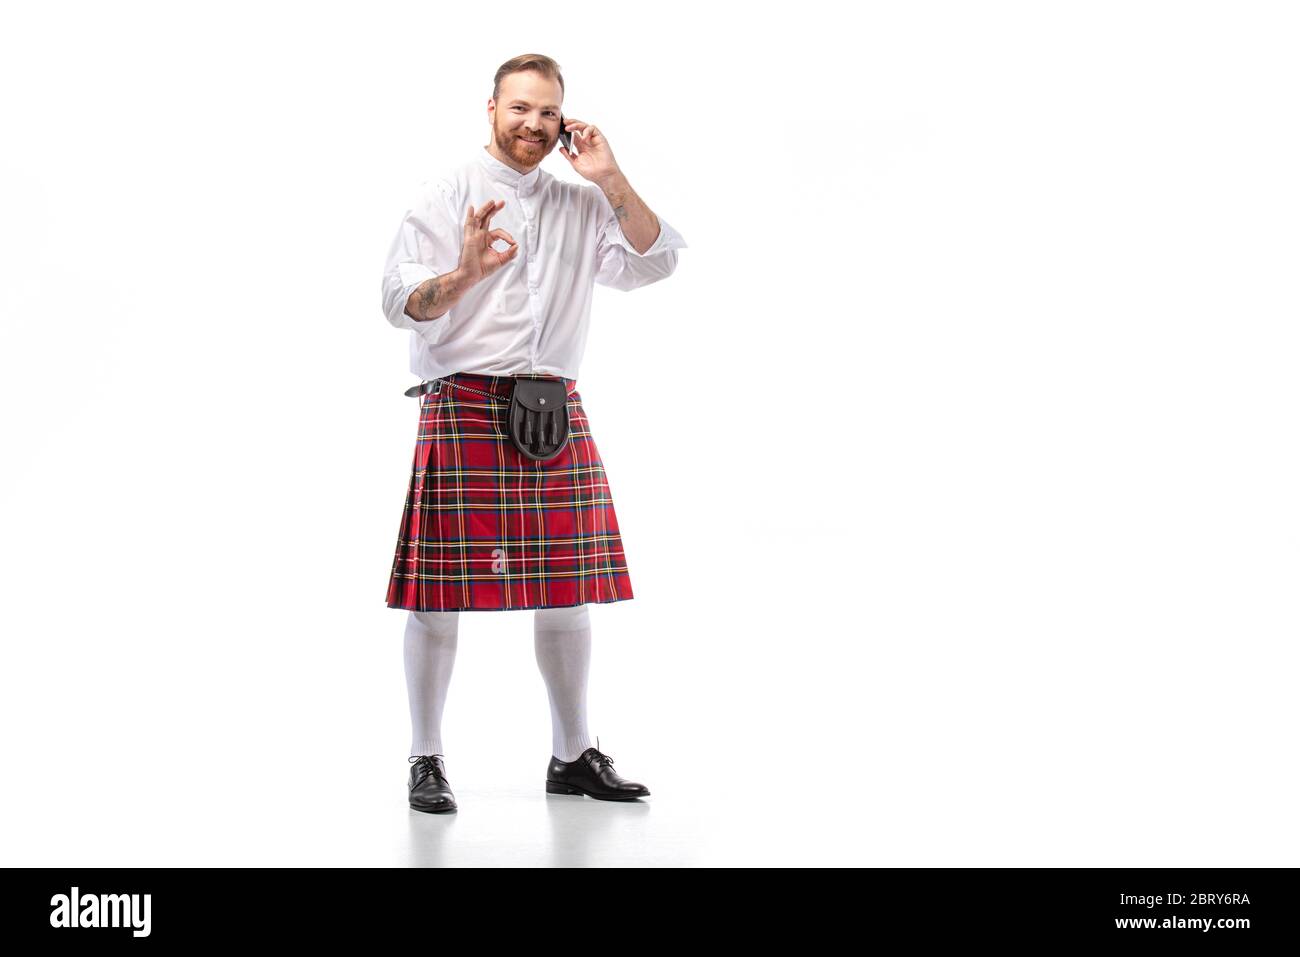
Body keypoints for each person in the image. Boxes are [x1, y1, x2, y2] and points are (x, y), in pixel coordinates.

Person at [379, 54, 687, 813]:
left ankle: (573, 753)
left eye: (547, 112)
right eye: (519, 108)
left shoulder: (583, 203)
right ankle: (426, 756)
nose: (533, 124)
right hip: (464, 404)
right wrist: (465, 273)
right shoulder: (447, 190)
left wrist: (609, 178)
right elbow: (398, 301)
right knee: (438, 597)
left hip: (554, 407)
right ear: (491, 109)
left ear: (564, 119)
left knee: (567, 592)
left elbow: (657, 261)